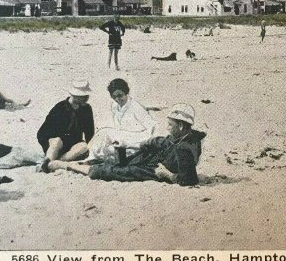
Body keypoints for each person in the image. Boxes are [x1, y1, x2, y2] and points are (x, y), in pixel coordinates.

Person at [50, 103, 205, 187]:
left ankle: (66, 166)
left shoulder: (184, 148)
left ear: (180, 126)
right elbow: (156, 142)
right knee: (117, 161)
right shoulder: (184, 136)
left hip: (155, 169)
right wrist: (128, 144)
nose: (167, 127)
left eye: (170, 125)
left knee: (111, 172)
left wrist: (166, 174)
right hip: (154, 158)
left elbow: (189, 180)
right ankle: (76, 163)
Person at [85, 78, 157, 161]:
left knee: (104, 132)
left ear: (126, 92)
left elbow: (151, 125)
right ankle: (92, 156)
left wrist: (144, 143)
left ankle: (91, 157)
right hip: (122, 137)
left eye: (120, 95)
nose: (117, 99)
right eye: (114, 96)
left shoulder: (135, 107)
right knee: (106, 147)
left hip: (137, 138)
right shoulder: (115, 106)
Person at [37, 79, 95, 172]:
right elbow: (42, 132)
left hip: (73, 144)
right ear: (74, 96)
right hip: (56, 143)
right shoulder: (60, 108)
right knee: (57, 141)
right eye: (83, 96)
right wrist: (48, 147)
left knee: (83, 146)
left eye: (86, 96)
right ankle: (51, 160)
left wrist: (91, 150)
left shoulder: (87, 109)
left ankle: (53, 163)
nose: (86, 98)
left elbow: (89, 132)